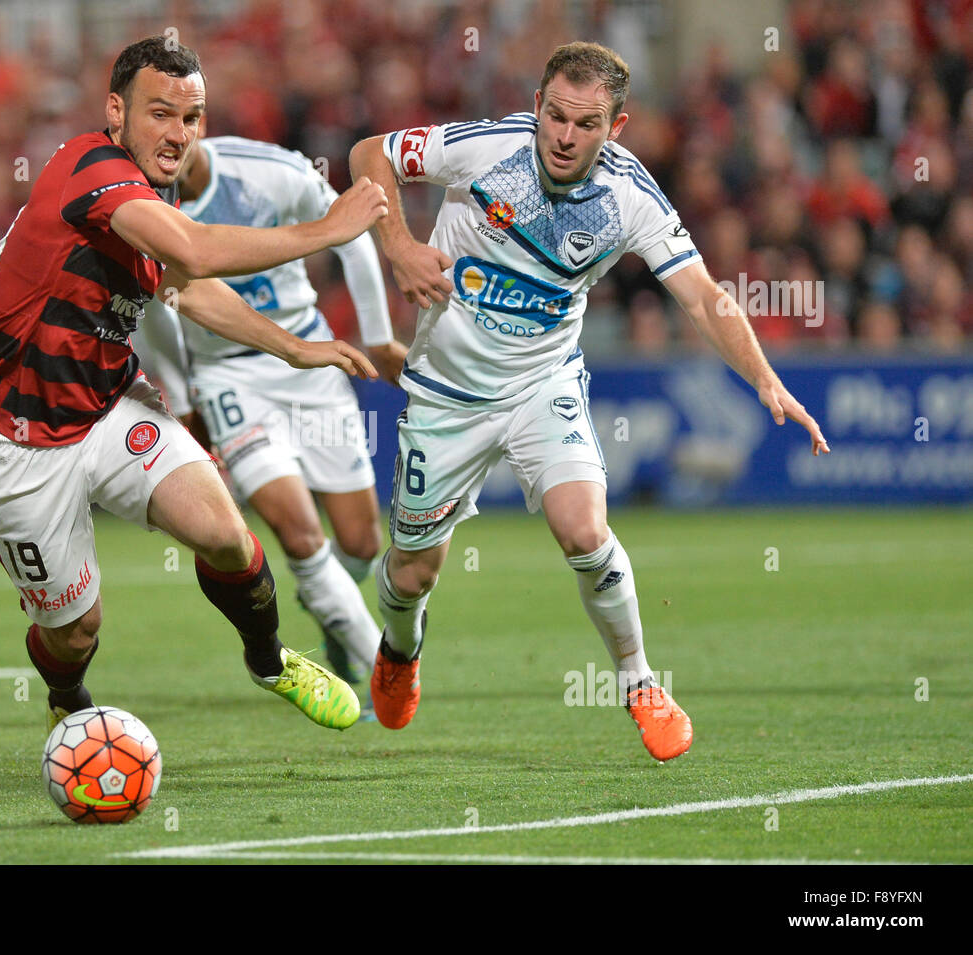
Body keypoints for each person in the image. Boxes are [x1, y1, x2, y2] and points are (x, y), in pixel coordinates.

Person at [348, 41, 830, 759]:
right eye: (556, 117)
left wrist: (764, 377)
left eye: (587, 124)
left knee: (584, 531)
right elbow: (368, 153)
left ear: (618, 127)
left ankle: (639, 681)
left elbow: (701, 296)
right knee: (413, 570)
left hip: (544, 384)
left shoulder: (629, 194)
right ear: (538, 105)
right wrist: (400, 244)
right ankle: (399, 646)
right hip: (447, 393)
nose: (566, 137)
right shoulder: (487, 150)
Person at [0, 36, 389, 735]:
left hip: (110, 403)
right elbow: (192, 248)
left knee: (227, 537)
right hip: (24, 434)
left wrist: (293, 348)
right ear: (116, 111)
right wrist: (325, 230)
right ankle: (67, 697)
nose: (178, 134)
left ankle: (270, 658)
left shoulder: (147, 193)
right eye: (161, 114)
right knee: (76, 631)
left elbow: (190, 288)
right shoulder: (88, 165)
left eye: (192, 118)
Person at [137, 132, 407, 706]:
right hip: (230, 376)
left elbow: (350, 236)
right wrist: (183, 397)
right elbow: (156, 306)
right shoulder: (142, 209)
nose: (171, 137)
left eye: (184, 118)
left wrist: (379, 339)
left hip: (308, 357)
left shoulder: (269, 172)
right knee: (301, 534)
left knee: (360, 543)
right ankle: (382, 672)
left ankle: (330, 609)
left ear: (200, 123)